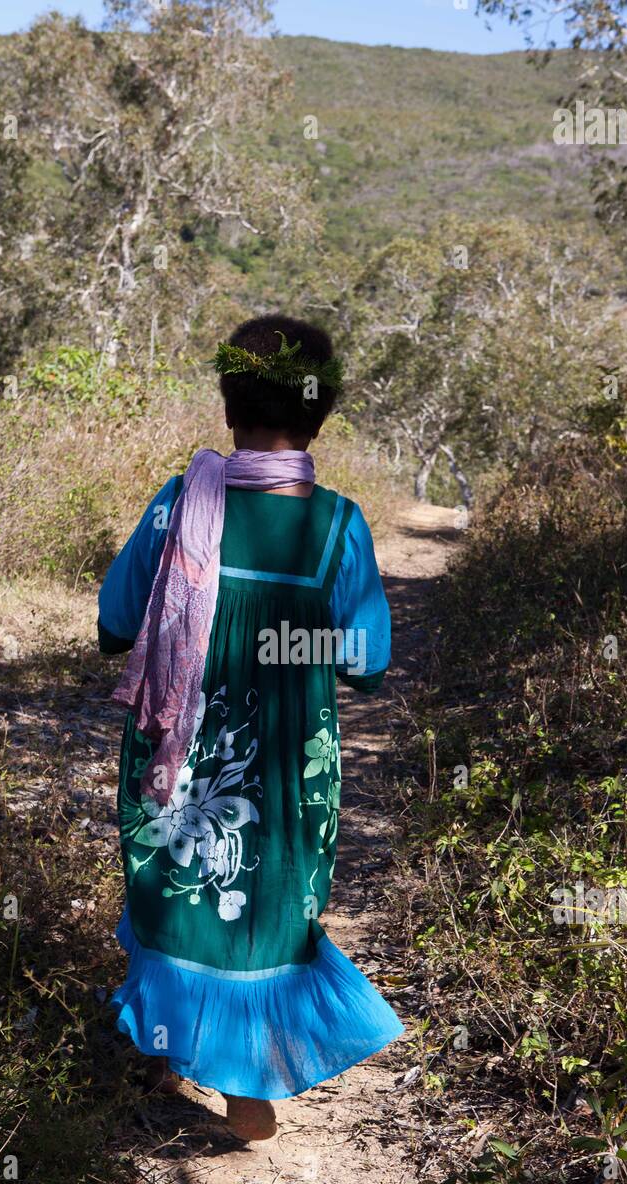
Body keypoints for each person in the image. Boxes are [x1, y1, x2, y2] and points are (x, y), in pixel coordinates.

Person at [98, 314, 403, 1141]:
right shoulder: (339, 526)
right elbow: (367, 659)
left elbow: (117, 618)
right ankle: (247, 1091)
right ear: (319, 416)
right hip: (284, 765)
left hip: (176, 750)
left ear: (229, 405)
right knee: (264, 898)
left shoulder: (180, 503)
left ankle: (160, 1055)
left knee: (174, 886)